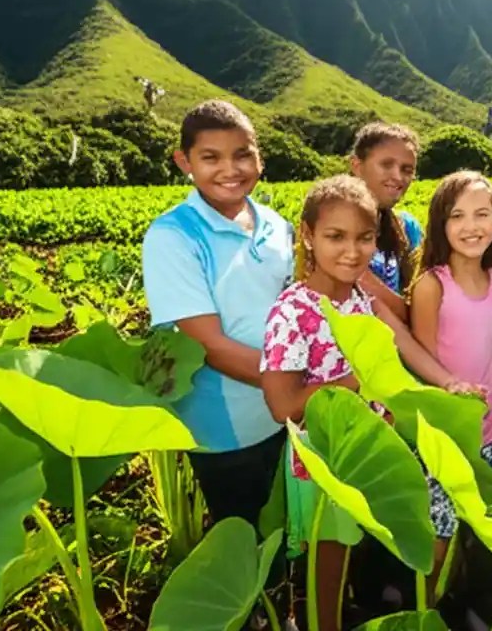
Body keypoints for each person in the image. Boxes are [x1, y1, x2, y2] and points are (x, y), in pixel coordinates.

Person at [260, 175, 479, 630]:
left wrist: (448, 384)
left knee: (356, 557)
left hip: (370, 450)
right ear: (307, 235)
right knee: (328, 560)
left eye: (363, 238)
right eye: (335, 237)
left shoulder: (360, 298)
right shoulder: (295, 309)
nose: (351, 251)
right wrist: (354, 379)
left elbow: (405, 345)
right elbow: (283, 406)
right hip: (328, 459)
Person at [141, 100, 293, 626]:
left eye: (242, 155)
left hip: (284, 415)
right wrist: (294, 387)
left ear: (259, 158)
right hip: (223, 425)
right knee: (238, 538)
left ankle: (278, 610)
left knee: (282, 533)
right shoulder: (172, 236)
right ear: (183, 161)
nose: (229, 169)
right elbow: (208, 344)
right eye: (211, 157)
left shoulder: (276, 225)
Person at [408, 170, 492, 598]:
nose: (472, 227)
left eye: (482, 214)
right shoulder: (433, 285)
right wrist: (451, 390)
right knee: (440, 531)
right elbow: (423, 361)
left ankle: (471, 597)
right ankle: (430, 606)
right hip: (446, 435)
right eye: (458, 216)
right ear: (440, 224)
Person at [349, 121, 424, 323]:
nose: (398, 177)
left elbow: (421, 304)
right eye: (386, 165)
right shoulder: (329, 228)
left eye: (407, 170)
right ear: (357, 166)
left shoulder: (408, 229)